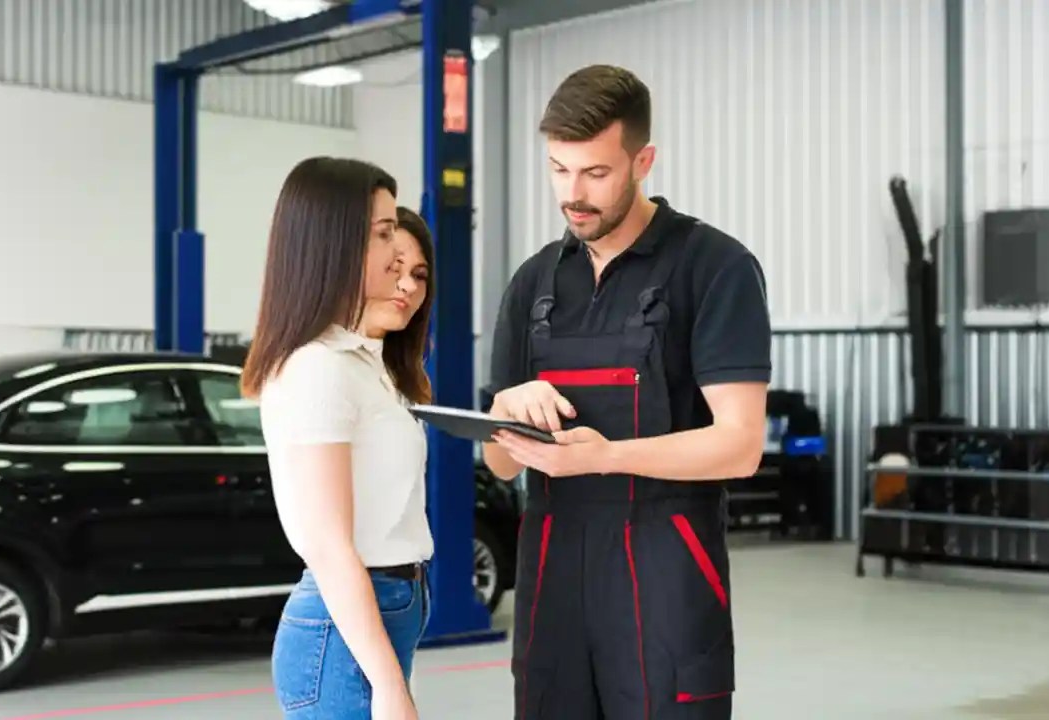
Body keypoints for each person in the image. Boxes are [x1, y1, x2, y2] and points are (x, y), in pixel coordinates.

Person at [483, 65, 772, 720]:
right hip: (553, 578)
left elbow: (741, 446)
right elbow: (500, 463)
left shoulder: (715, 268)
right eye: (559, 169)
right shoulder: (533, 285)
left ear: (643, 160)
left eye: (596, 173)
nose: (573, 194)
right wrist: (504, 416)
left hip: (666, 572)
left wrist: (600, 456)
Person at [241, 157, 436, 720]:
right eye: (381, 236)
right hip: (344, 629)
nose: (394, 256)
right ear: (334, 246)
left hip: (384, 607)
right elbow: (329, 547)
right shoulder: (316, 368)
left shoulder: (362, 362)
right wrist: (389, 685)